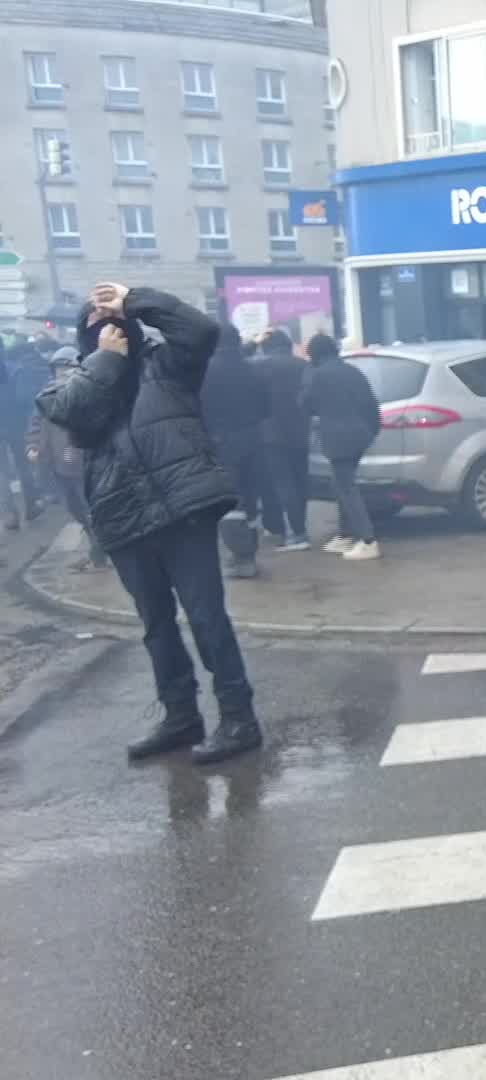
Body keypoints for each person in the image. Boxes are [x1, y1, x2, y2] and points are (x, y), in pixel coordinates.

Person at [37, 282, 263, 765]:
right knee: (156, 625)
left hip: (182, 509)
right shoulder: (76, 380)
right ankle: (180, 716)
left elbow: (202, 330)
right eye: (97, 322)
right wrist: (105, 362)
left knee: (207, 618)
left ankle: (238, 718)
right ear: (85, 337)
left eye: (114, 318)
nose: (108, 327)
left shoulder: (166, 366)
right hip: (124, 518)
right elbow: (64, 411)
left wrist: (134, 297)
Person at [299, 333, 382, 561]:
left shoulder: (318, 375)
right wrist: (371, 432)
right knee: (339, 484)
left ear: (314, 354)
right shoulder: (353, 372)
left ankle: (368, 540)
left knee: (345, 487)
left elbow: (305, 405)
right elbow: (372, 406)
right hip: (360, 435)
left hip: (339, 439)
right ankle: (346, 534)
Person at [25, 345, 108, 570]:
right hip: (58, 465)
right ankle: (96, 548)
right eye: (59, 369)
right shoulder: (47, 393)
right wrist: (33, 445)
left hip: (83, 465)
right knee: (75, 509)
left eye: (67, 368)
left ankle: (99, 553)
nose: (63, 373)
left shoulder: (87, 391)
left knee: (91, 511)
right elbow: (36, 422)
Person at [199, 323, 271, 578]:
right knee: (251, 500)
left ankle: (241, 557)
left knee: (229, 501)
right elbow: (266, 408)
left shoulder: (205, 371)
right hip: (253, 440)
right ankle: (249, 551)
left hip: (220, 443)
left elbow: (198, 410)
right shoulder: (254, 369)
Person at [254, 328, 311, 551]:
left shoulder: (259, 367)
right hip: (300, 430)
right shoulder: (303, 365)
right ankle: (301, 527)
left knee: (283, 483)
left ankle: (296, 533)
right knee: (300, 481)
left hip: (271, 433)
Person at [1, 332, 51, 528]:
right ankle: (32, 503)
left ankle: (8, 514)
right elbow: (25, 399)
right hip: (15, 423)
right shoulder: (14, 370)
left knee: (1, 471)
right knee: (23, 464)